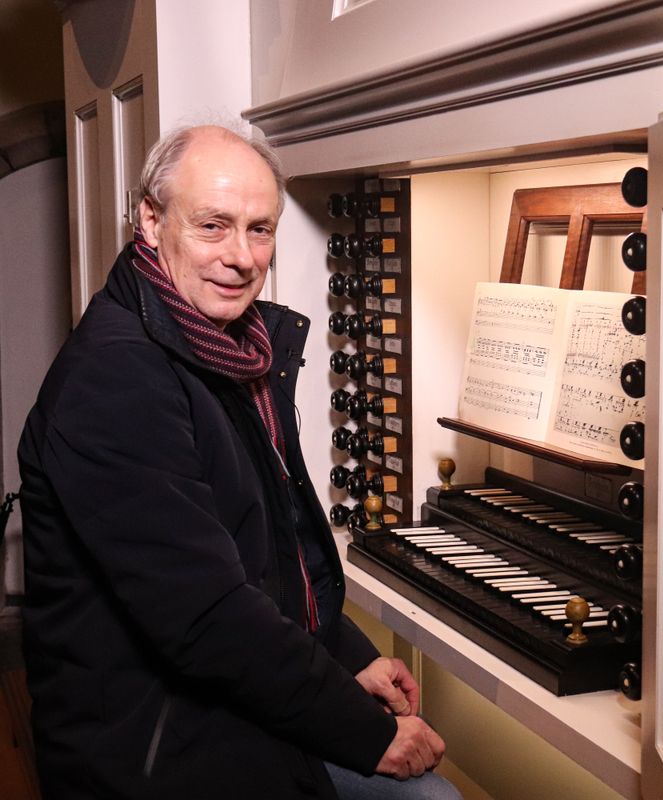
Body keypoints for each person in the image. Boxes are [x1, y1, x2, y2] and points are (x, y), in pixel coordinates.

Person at [18, 123, 462, 800]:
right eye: (214, 226)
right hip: (152, 748)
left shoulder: (234, 349)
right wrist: (367, 734)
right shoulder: (116, 380)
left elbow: (266, 556)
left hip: (215, 701)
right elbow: (208, 615)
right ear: (150, 220)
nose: (242, 256)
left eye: (260, 229)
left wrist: (347, 655)